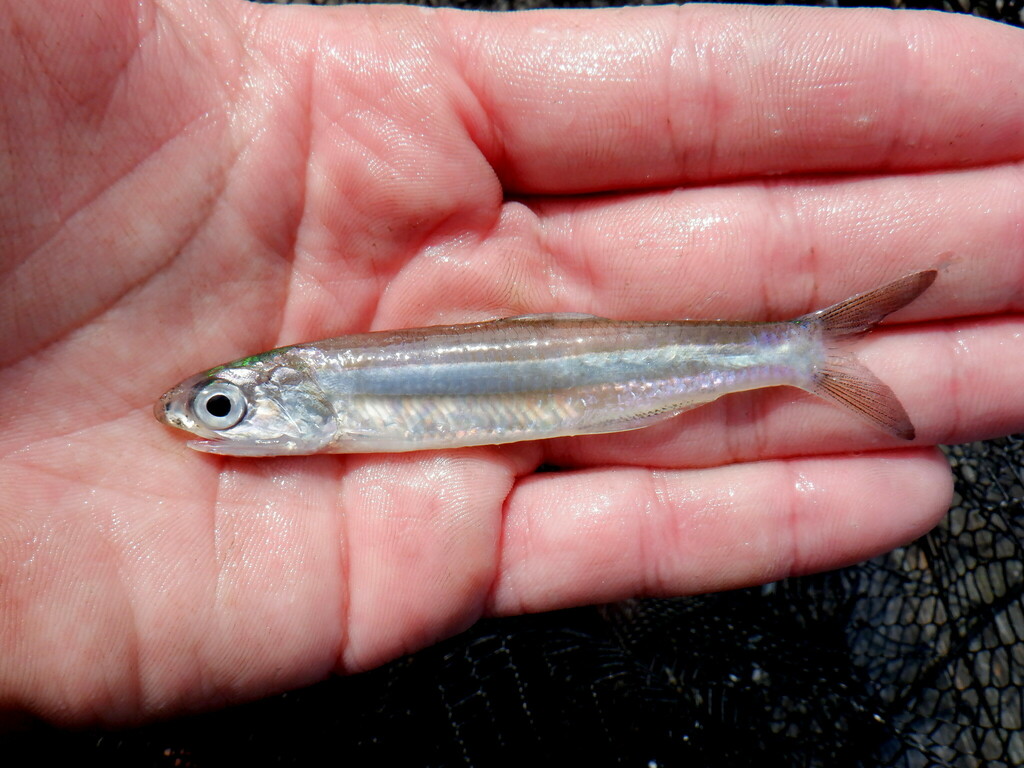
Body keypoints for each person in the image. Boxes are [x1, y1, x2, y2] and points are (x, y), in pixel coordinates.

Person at [0, 0, 1021, 727]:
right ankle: (797, 353)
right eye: (220, 409)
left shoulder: (326, 388)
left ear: (286, 392)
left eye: (222, 406)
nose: (210, 422)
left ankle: (798, 351)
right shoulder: (318, 390)